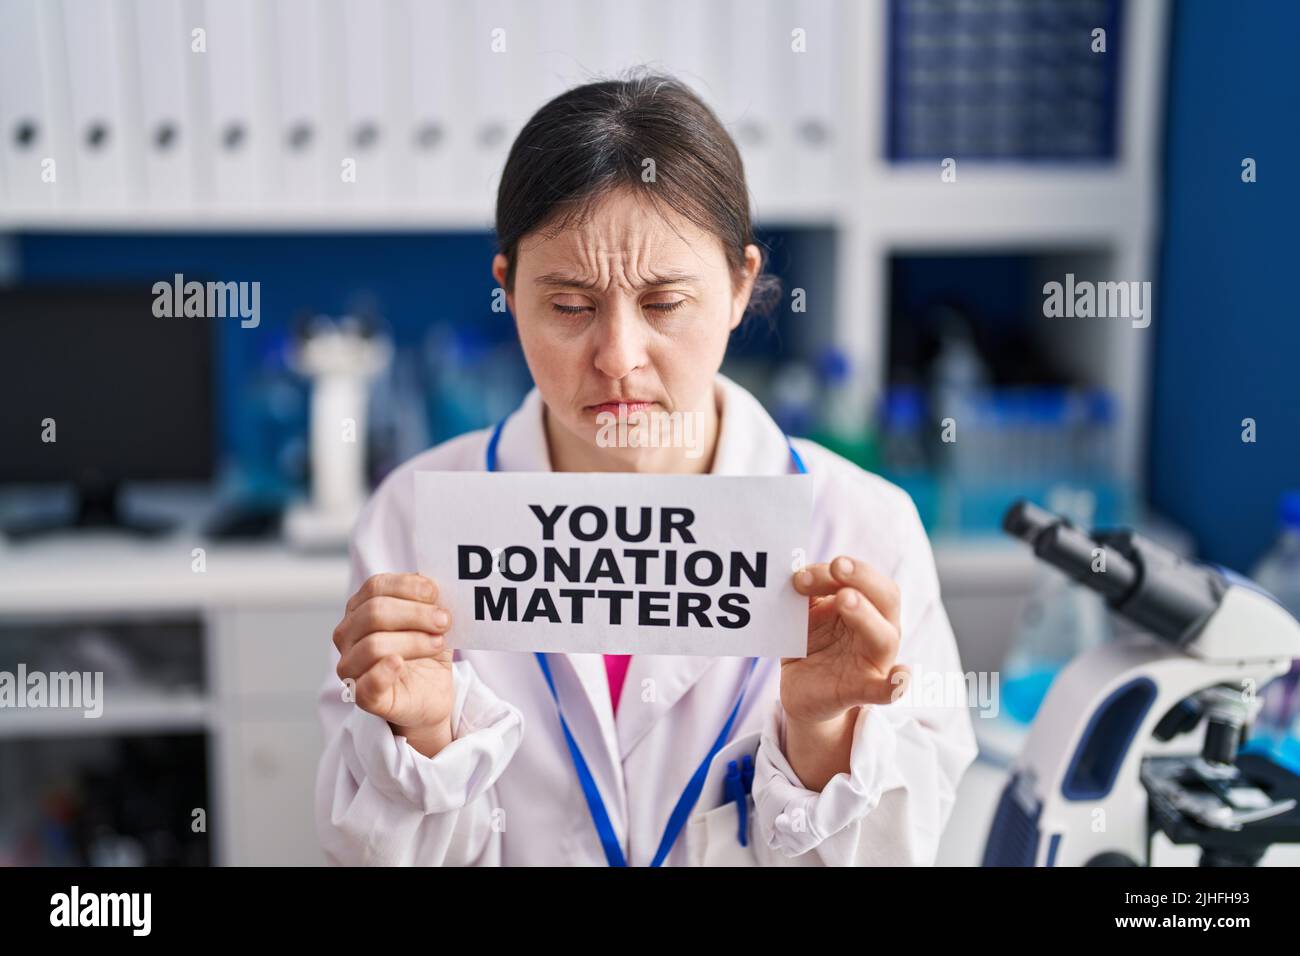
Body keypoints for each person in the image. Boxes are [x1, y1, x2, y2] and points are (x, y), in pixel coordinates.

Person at [316, 72, 977, 866]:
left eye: (664, 303)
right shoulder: (412, 519)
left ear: (739, 285)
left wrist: (824, 735)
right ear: (509, 290)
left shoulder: (864, 529)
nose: (619, 358)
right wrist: (421, 742)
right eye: (569, 306)